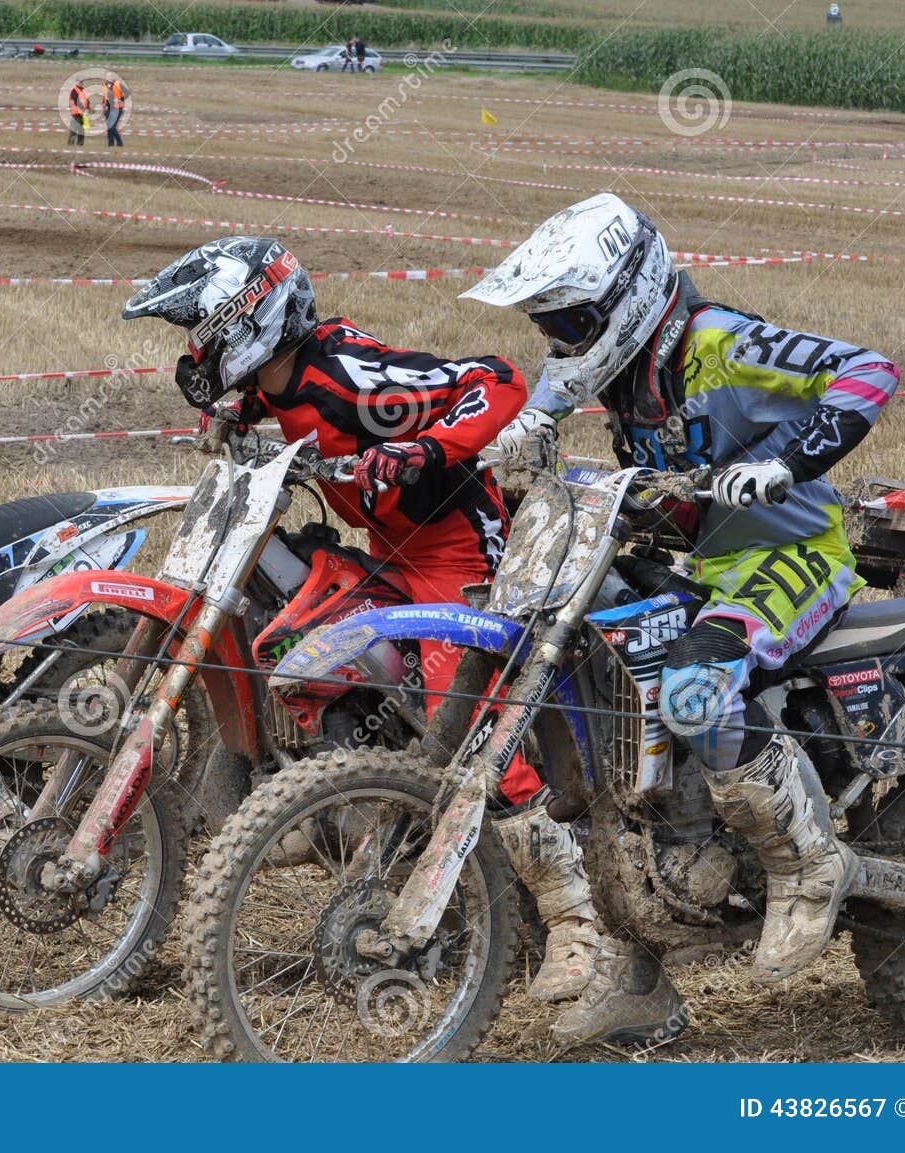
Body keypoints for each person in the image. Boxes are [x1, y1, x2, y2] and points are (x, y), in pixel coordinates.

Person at [465, 192, 899, 1044]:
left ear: (628, 295)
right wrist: (528, 431)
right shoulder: (611, 359)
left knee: (695, 687)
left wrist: (779, 462)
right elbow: (552, 389)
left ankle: (807, 863)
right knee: (602, 706)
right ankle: (642, 969)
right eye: (553, 321)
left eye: (575, 317)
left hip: (793, 556)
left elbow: (870, 370)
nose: (563, 337)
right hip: (705, 564)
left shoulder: (719, 344)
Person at [121, 237, 596, 999]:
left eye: (205, 333)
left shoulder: (351, 379)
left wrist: (430, 450)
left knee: (469, 723)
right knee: (305, 651)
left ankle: (573, 919)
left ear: (252, 321)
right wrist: (241, 414)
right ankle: (353, 803)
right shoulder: (275, 385)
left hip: (459, 555)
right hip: (388, 548)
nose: (196, 351)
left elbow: (497, 380)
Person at [103, 73, 127, 147]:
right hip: (108, 108)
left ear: (113, 77)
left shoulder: (118, 84)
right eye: (107, 77)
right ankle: (111, 144)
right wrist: (104, 104)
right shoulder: (105, 85)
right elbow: (105, 96)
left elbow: (126, 93)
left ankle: (119, 143)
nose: (109, 78)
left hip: (117, 108)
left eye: (110, 76)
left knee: (112, 127)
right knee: (109, 127)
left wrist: (119, 100)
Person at [67, 79, 89, 146]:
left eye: (82, 82)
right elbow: (76, 102)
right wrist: (81, 111)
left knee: (81, 130)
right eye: (80, 82)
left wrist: (88, 108)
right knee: (73, 130)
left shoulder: (83, 90)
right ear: (76, 82)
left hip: (83, 113)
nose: (81, 83)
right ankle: (70, 144)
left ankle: (80, 144)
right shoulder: (74, 91)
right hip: (76, 113)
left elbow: (87, 101)